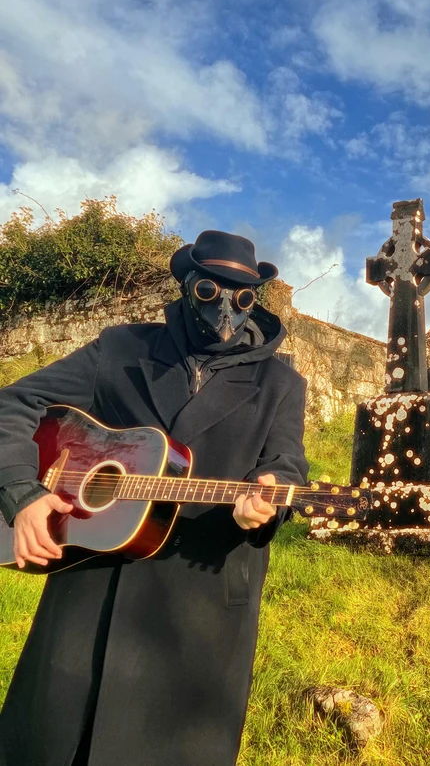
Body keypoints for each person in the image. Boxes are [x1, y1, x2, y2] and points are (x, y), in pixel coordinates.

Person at [0, 230, 309, 766]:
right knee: (52, 741)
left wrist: (269, 497)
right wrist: (21, 493)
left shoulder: (281, 383)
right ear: (188, 286)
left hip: (201, 596)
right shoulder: (121, 349)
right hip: (92, 576)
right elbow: (14, 402)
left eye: (242, 295)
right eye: (212, 291)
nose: (227, 307)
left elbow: (286, 463)